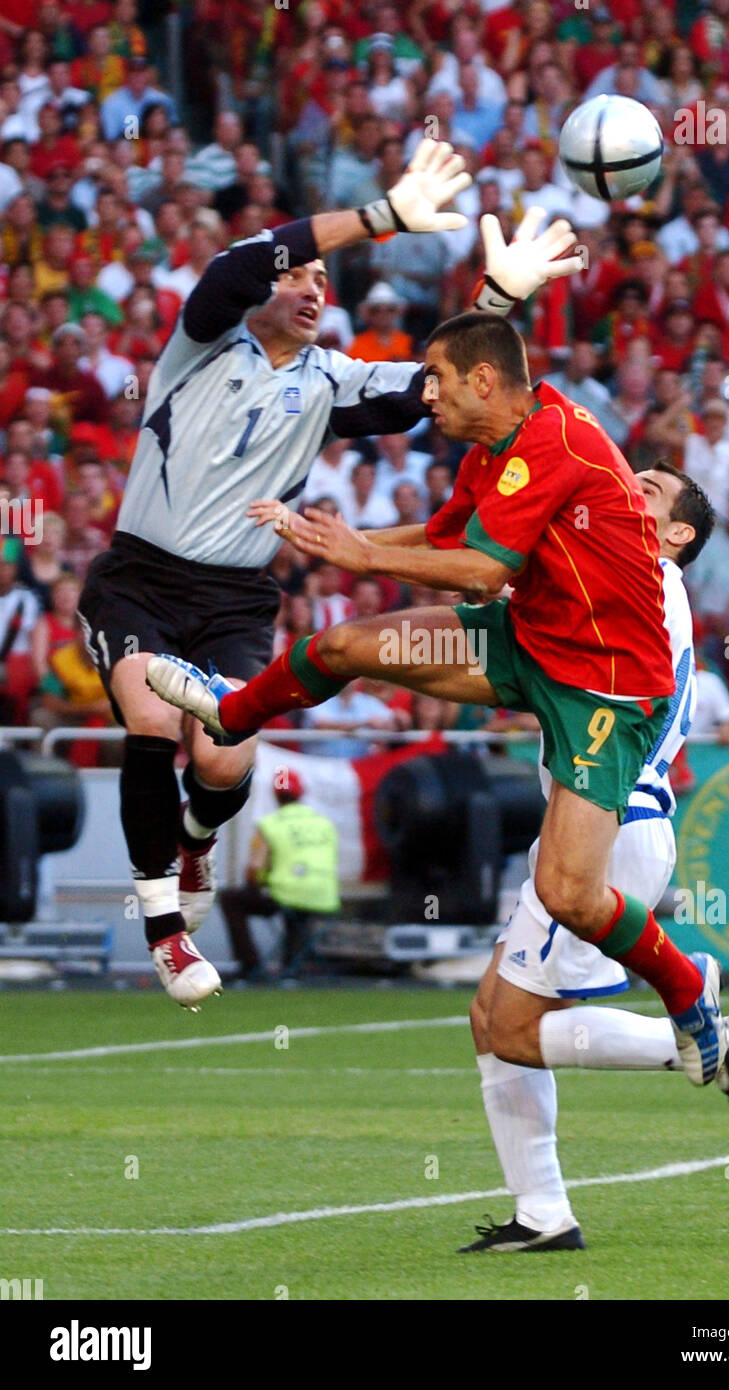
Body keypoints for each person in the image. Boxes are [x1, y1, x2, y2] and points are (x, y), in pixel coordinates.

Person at [147, 316, 728, 1094]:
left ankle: (689, 996)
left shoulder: (559, 445)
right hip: (528, 643)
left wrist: (362, 554)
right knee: (347, 647)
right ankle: (233, 711)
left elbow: (483, 570)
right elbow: (449, 532)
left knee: (569, 897)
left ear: (482, 381)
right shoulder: (502, 448)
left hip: (602, 689)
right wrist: (328, 536)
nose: (426, 393)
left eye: (436, 378)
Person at [79, 142, 582, 1010]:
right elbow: (242, 262)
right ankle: (165, 930)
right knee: (154, 715)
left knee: (225, 760)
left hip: (236, 596)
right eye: (299, 276)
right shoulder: (200, 345)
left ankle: (195, 833)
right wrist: (381, 217)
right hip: (140, 579)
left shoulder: (331, 384)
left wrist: (498, 297)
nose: (315, 289)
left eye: (324, 281)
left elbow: (439, 387)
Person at [460, 464, 729, 1253]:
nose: (624, 486)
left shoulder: (648, 573)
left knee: (517, 1031)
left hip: (613, 823)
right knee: (489, 1017)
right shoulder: (626, 571)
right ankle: (542, 1214)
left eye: (647, 490)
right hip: (582, 820)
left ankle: (697, 1034)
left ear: (676, 536)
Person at [218, 768, 339, 982]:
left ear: (275, 795)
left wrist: (255, 884)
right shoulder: (324, 824)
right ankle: (292, 964)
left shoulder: (270, 824)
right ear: (301, 793)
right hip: (325, 896)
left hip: (288, 894)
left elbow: (255, 868)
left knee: (230, 900)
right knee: (298, 912)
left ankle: (251, 965)